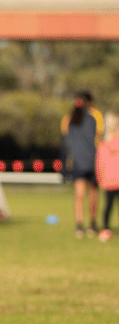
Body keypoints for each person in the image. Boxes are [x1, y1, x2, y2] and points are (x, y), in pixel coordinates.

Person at [61, 90, 103, 238]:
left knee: (79, 195)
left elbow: (65, 144)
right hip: (92, 162)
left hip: (77, 163)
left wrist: (64, 167)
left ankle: (79, 226)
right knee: (93, 192)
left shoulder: (68, 119)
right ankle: (92, 224)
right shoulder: (94, 118)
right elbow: (99, 140)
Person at [94, 111, 119, 241]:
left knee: (108, 206)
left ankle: (105, 228)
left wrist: (100, 180)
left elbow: (99, 165)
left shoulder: (102, 144)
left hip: (108, 181)